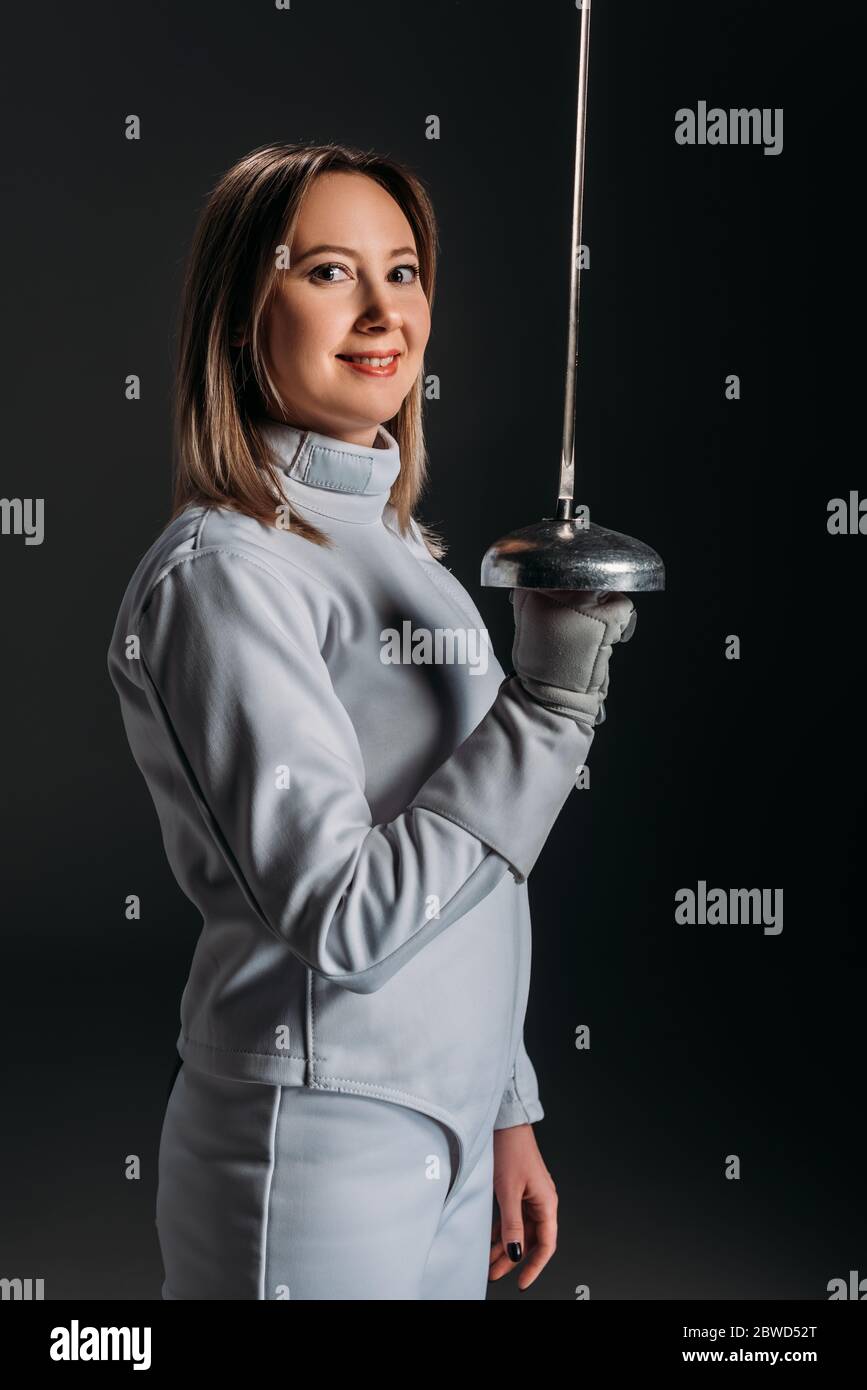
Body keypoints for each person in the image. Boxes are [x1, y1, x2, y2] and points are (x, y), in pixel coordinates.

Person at [106, 140, 637, 1301]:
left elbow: (472, 878)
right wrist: (549, 709)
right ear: (245, 313)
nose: (380, 309)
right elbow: (345, 913)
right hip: (315, 1136)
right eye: (328, 271)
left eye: (401, 270)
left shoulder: (406, 553)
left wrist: (505, 1105)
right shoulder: (225, 575)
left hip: (441, 1126)